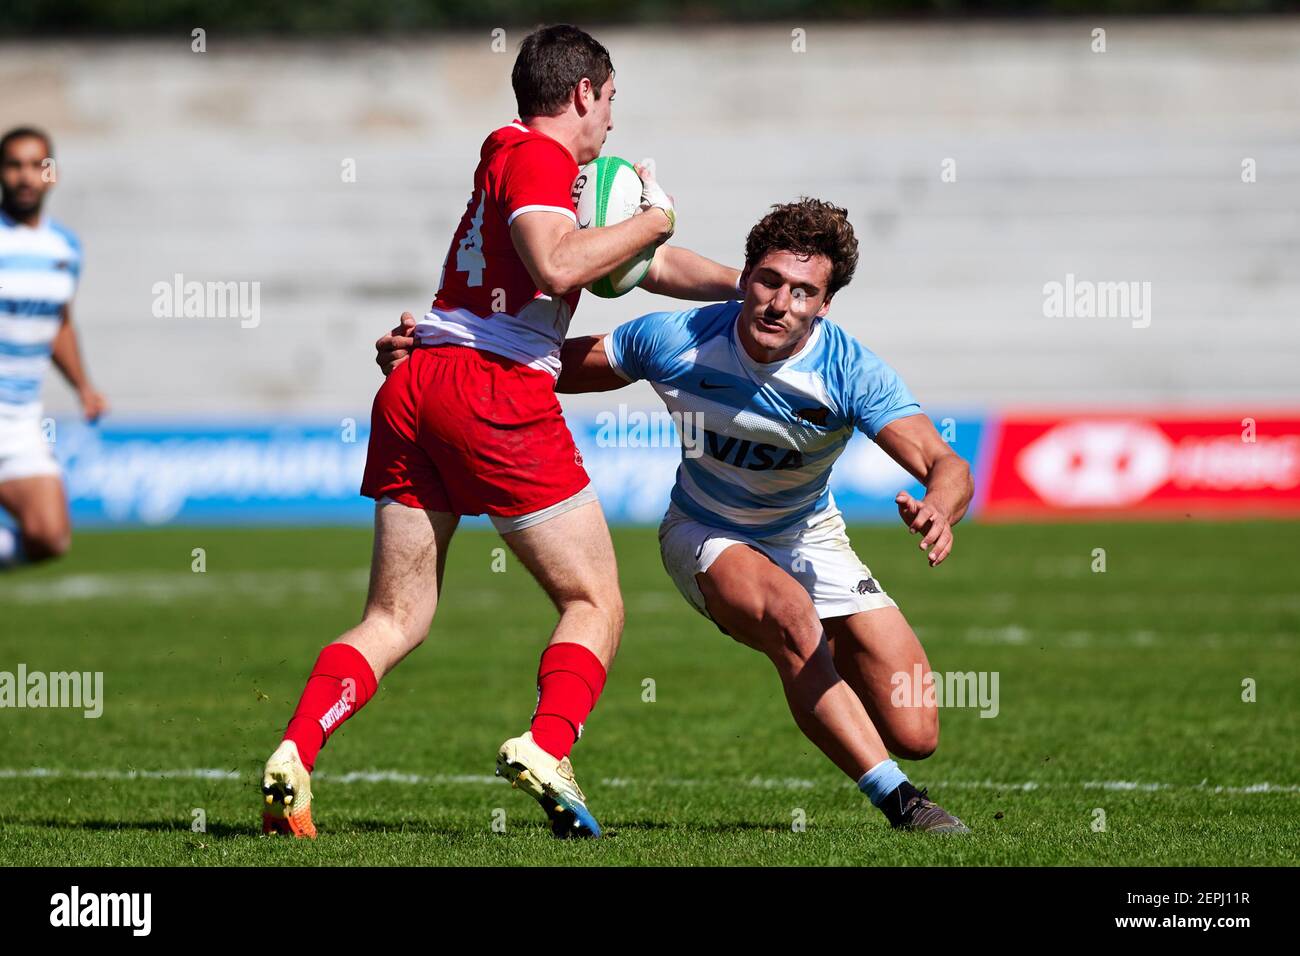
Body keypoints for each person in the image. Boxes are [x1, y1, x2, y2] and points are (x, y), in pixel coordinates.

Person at [262, 24, 737, 839]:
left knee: (396, 616)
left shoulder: (516, 159)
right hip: (493, 393)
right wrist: (655, 220)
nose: (614, 121)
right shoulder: (544, 159)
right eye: (611, 100)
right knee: (594, 599)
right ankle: (548, 746)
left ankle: (295, 752)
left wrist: (752, 284)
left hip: (420, 383)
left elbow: (637, 266)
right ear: (584, 92)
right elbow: (559, 266)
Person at [380, 198, 973, 833]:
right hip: (705, 530)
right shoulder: (678, 338)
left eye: (804, 292)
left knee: (916, 727)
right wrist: (435, 356)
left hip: (809, 535)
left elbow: (946, 463)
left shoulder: (849, 370)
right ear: (746, 278)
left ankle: (814, 656)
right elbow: (546, 370)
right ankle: (903, 803)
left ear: (824, 305)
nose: (780, 304)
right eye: (769, 281)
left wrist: (939, 505)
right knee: (794, 623)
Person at [0, 126, 108, 571]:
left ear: (52, 174)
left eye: (35, 165)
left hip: (21, 418)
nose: (25, 176)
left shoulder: (64, 247)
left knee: (49, 536)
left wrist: (83, 385)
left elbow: (59, 322)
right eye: (14, 165)